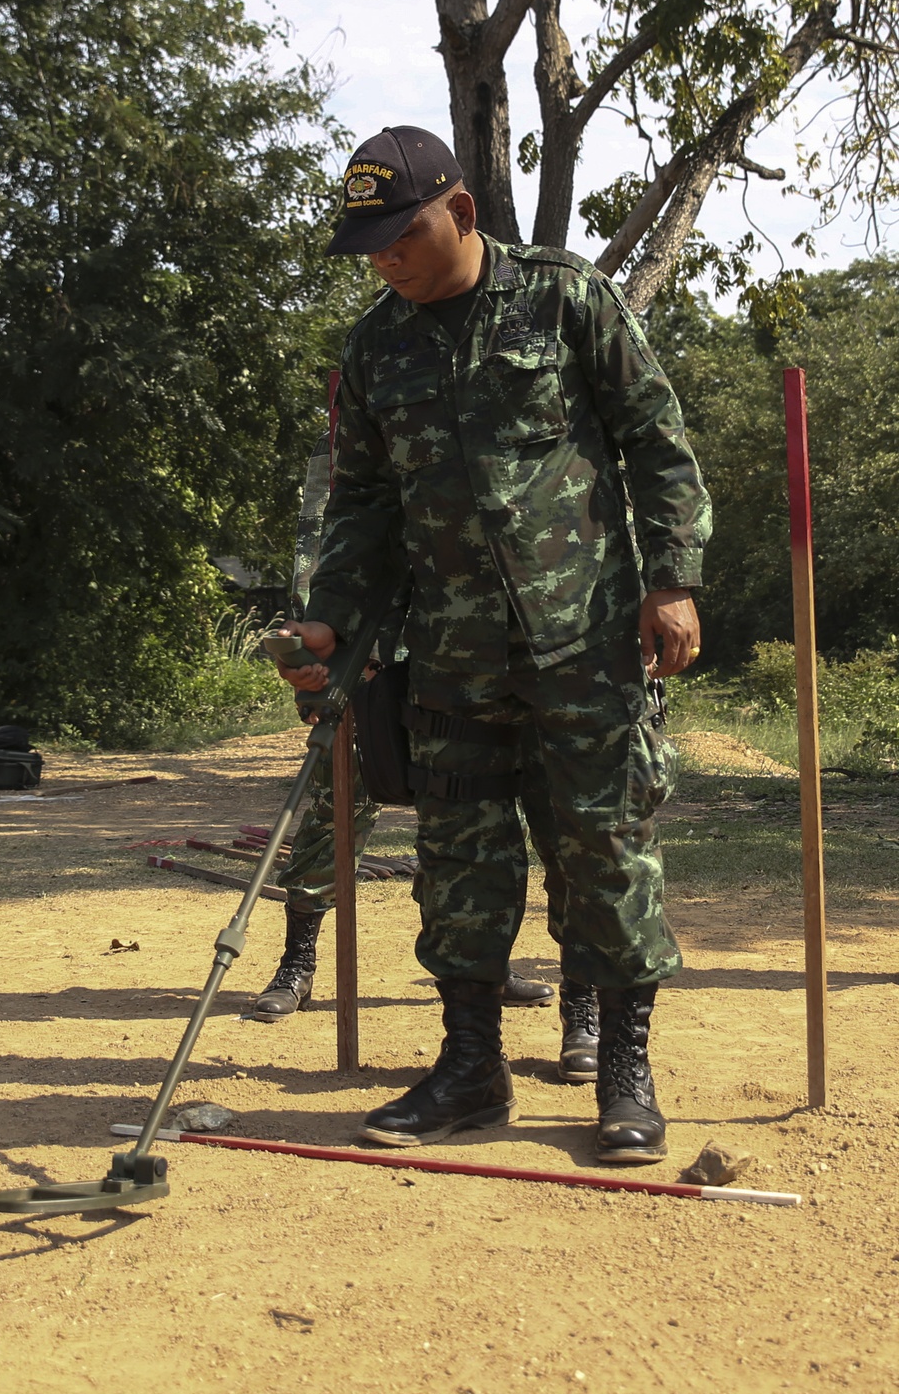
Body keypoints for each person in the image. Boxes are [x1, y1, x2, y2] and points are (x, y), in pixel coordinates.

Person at [275, 126, 710, 1163]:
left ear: (460, 212)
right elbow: (365, 505)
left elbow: (655, 438)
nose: (387, 258)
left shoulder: (564, 297)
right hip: (452, 659)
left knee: (604, 847)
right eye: (369, 244)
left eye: (402, 234)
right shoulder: (375, 345)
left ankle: (621, 1076)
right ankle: (470, 1068)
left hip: (588, 644)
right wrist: (331, 616)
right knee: (458, 864)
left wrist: (672, 578)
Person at [255, 426, 556, 1019]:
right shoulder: (357, 440)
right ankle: (298, 964)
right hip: (368, 648)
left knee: (475, 821)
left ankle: (484, 962)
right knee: (335, 807)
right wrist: (329, 651)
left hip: (464, 652)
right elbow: (321, 550)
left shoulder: (483, 425)